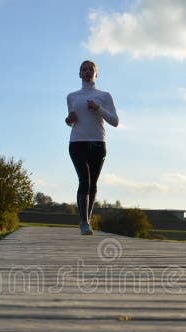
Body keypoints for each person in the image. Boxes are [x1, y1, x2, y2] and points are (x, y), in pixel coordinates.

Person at [65, 60, 119, 235]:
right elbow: (71, 122)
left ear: (97, 74)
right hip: (77, 143)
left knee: (93, 184)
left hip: (97, 142)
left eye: (91, 69)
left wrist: (98, 108)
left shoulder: (105, 96)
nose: (87, 72)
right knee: (84, 180)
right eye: (84, 69)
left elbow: (115, 121)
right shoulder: (72, 96)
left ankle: (86, 220)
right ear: (79, 74)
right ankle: (84, 222)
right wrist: (69, 120)